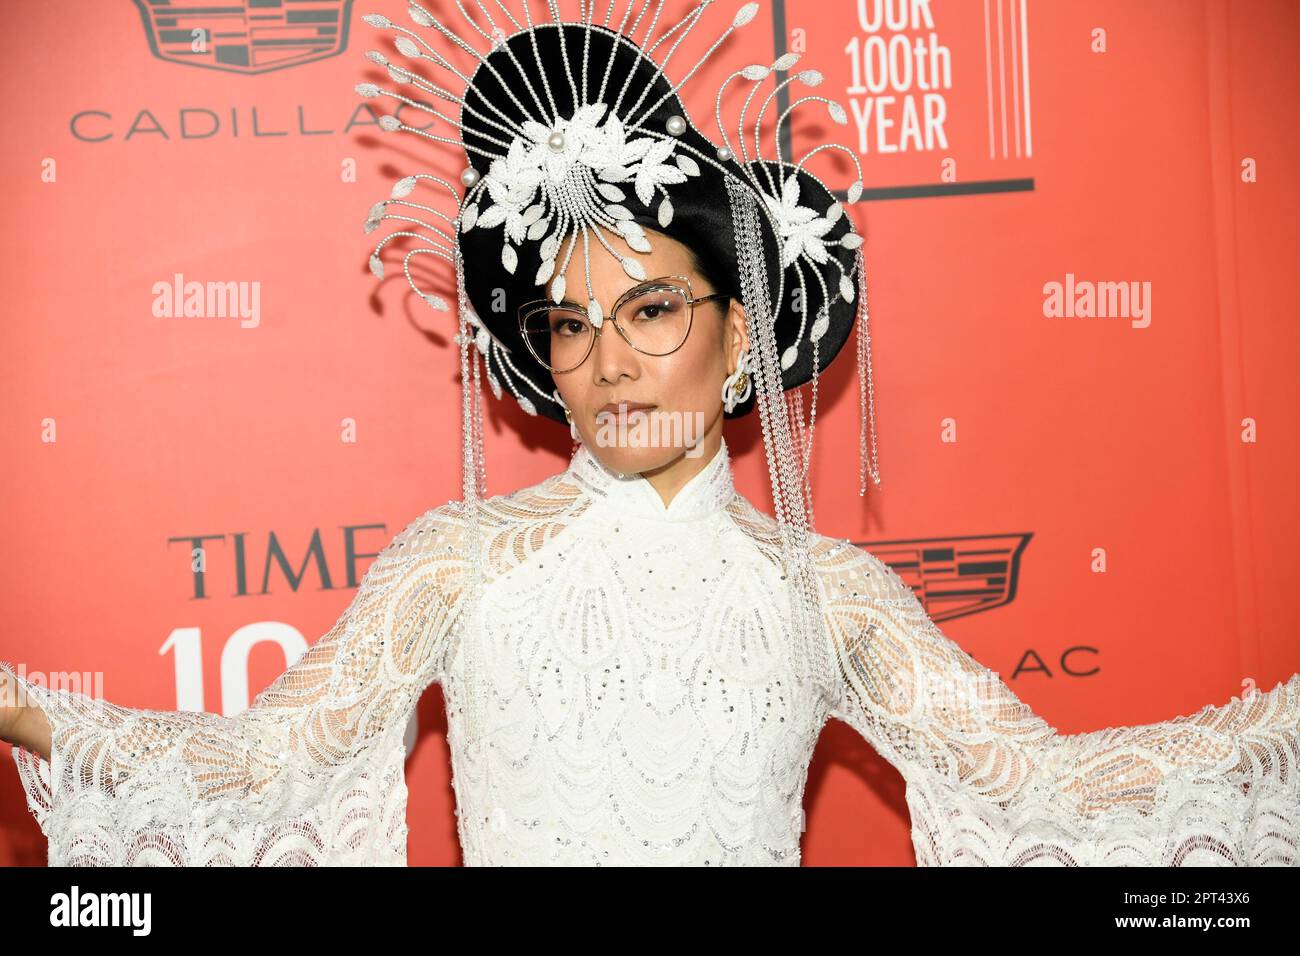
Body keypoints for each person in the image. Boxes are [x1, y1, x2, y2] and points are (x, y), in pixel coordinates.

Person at [3, 1, 1298, 867]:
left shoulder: (833, 596)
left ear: (744, 337)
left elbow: (1052, 797)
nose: (608, 357)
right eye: (569, 322)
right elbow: (250, 767)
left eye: (653, 306)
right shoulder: (457, 563)